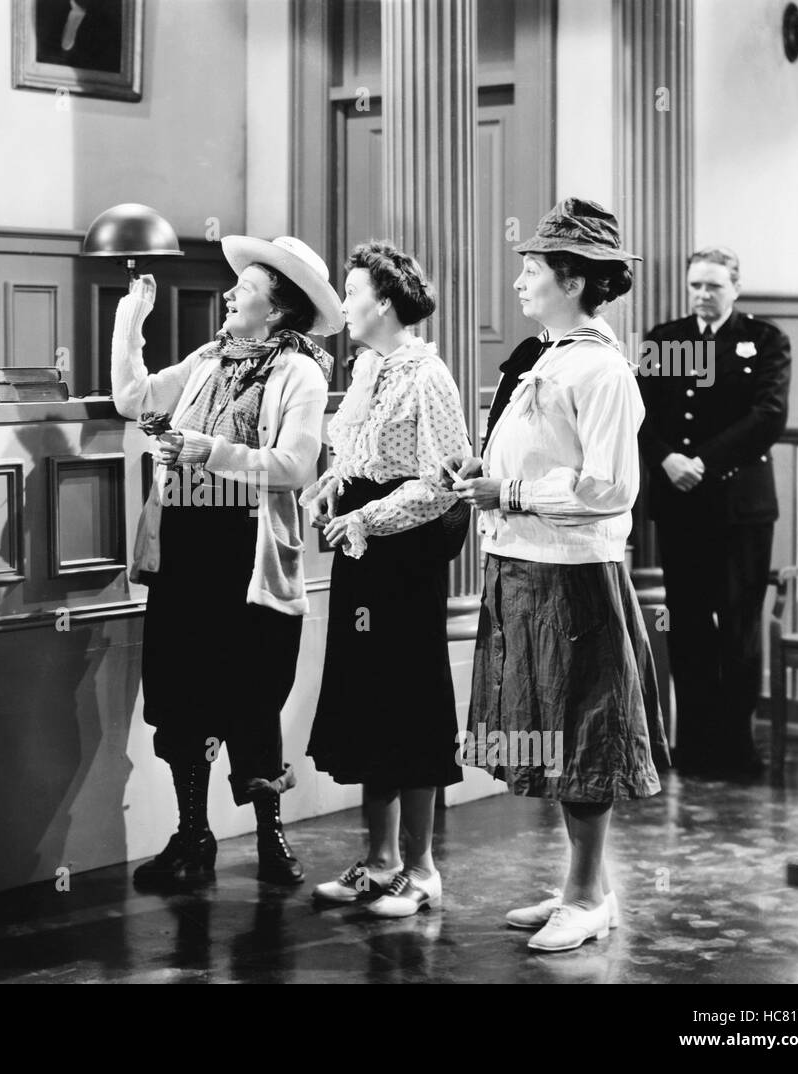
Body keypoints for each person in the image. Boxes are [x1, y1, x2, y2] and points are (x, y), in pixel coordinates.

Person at [452, 197, 670, 952]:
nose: (519, 281)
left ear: (574, 281)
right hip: (524, 563)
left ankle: (586, 895)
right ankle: (585, 888)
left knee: (584, 734)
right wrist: (486, 469)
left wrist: (508, 492)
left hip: (574, 576)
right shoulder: (549, 355)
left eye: (533, 269)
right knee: (547, 731)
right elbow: (546, 457)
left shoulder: (603, 369)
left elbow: (611, 487)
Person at [111, 235, 342, 886]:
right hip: (186, 545)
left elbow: (295, 466)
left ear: (276, 309)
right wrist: (134, 316)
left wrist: (205, 450)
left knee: (251, 696)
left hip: (246, 550)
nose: (231, 293)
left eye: (247, 289)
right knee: (183, 696)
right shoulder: (210, 361)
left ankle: (270, 837)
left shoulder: (300, 371)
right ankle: (192, 838)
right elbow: (135, 398)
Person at [300, 242, 471, 917]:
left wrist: (365, 516)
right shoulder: (369, 364)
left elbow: (444, 483)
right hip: (364, 554)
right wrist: (329, 486)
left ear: (386, 302)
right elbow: (358, 454)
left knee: (412, 703)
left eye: (353, 292)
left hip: (406, 557)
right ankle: (380, 860)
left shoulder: (427, 375)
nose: (344, 303)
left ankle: (423, 870)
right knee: (370, 700)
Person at [638, 247, 791, 778]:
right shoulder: (665, 339)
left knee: (739, 626)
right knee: (689, 627)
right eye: (695, 286)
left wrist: (702, 460)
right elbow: (641, 413)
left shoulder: (765, 340)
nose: (703, 296)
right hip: (682, 507)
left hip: (741, 507)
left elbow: (768, 415)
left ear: (736, 287)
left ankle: (737, 746)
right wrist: (666, 459)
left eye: (714, 286)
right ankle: (697, 745)